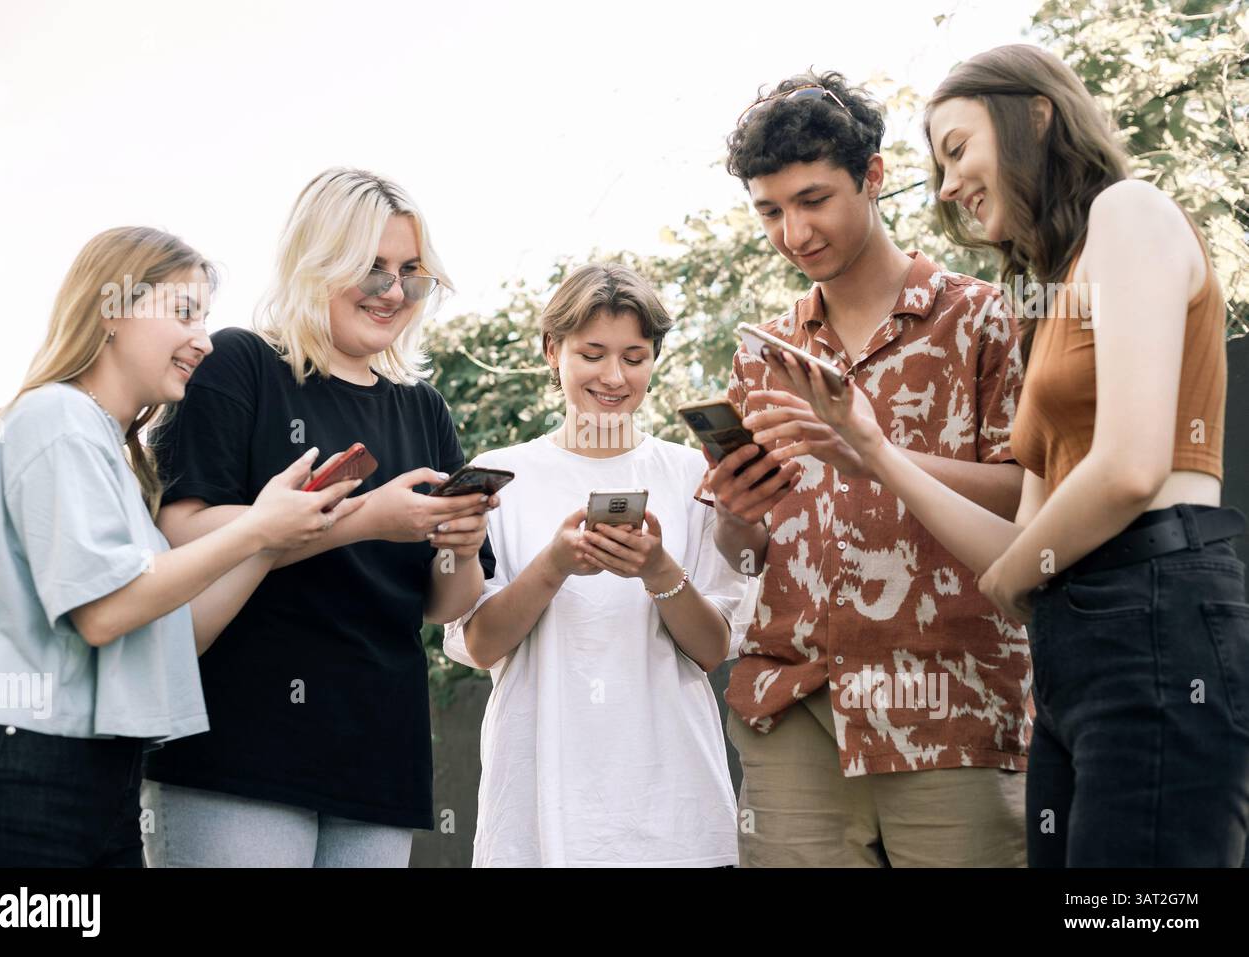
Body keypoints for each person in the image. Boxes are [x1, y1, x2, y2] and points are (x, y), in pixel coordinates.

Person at [769, 44, 1249, 867]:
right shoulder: (1050, 297)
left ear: (1036, 115)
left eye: (958, 149)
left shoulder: (1128, 212)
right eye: (940, 164)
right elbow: (1022, 532)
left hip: (1158, 607)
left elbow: (1132, 468)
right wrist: (874, 450)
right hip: (1073, 645)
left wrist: (1013, 578)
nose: (948, 184)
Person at [0, 226, 361, 866]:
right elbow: (106, 612)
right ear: (110, 311)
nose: (202, 339)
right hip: (26, 763)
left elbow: (176, 629)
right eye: (183, 313)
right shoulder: (54, 420)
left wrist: (274, 532)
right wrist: (257, 526)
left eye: (205, 318)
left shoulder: (100, 445)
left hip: (92, 767)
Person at [701, 70, 1031, 867]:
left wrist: (875, 455)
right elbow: (745, 553)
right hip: (792, 702)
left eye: (813, 199)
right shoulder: (761, 353)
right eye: (770, 211)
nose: (793, 231)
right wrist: (736, 515)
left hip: (951, 693)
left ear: (874, 176)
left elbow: (1031, 498)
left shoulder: (984, 315)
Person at [139, 168, 496, 868]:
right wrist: (361, 518)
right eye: (372, 269)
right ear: (317, 261)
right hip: (240, 748)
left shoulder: (422, 406)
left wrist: (463, 542)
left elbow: (445, 604)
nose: (393, 292)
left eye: (411, 273)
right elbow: (183, 535)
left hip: (377, 759)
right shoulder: (237, 364)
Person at [444, 263, 754, 867]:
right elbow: (478, 645)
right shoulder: (499, 476)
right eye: (592, 354)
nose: (614, 377)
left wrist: (660, 572)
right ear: (551, 350)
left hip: (676, 819)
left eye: (634, 358)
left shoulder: (694, 477)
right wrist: (554, 565)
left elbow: (714, 649)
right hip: (536, 816)